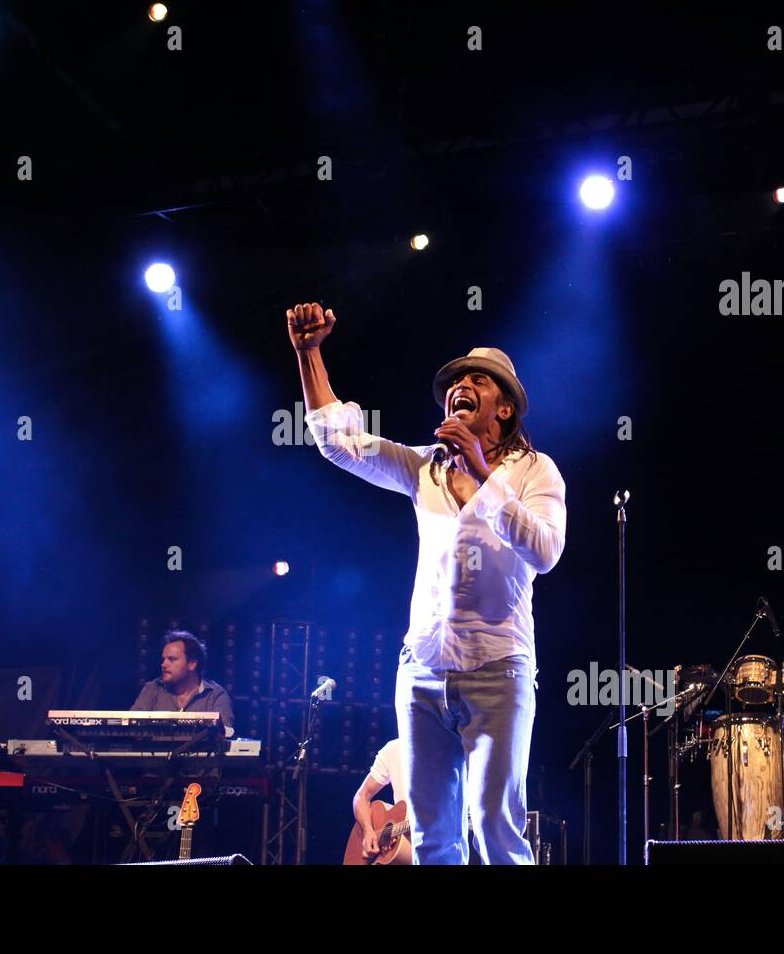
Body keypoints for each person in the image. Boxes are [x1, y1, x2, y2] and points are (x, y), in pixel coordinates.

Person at [289, 302, 566, 863]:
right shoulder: (424, 469)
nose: (461, 385)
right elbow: (339, 445)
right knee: (434, 836)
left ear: (505, 407)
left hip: (498, 669)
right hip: (422, 672)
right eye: (456, 381)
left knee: (497, 830)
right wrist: (309, 353)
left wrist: (484, 477)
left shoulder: (535, 470)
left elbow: (545, 551)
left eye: (477, 380)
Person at [131, 631, 235, 735]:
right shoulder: (152, 689)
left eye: (172, 659)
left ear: (192, 664)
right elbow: (131, 728)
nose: (164, 664)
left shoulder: (215, 695)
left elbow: (222, 737)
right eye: (163, 659)